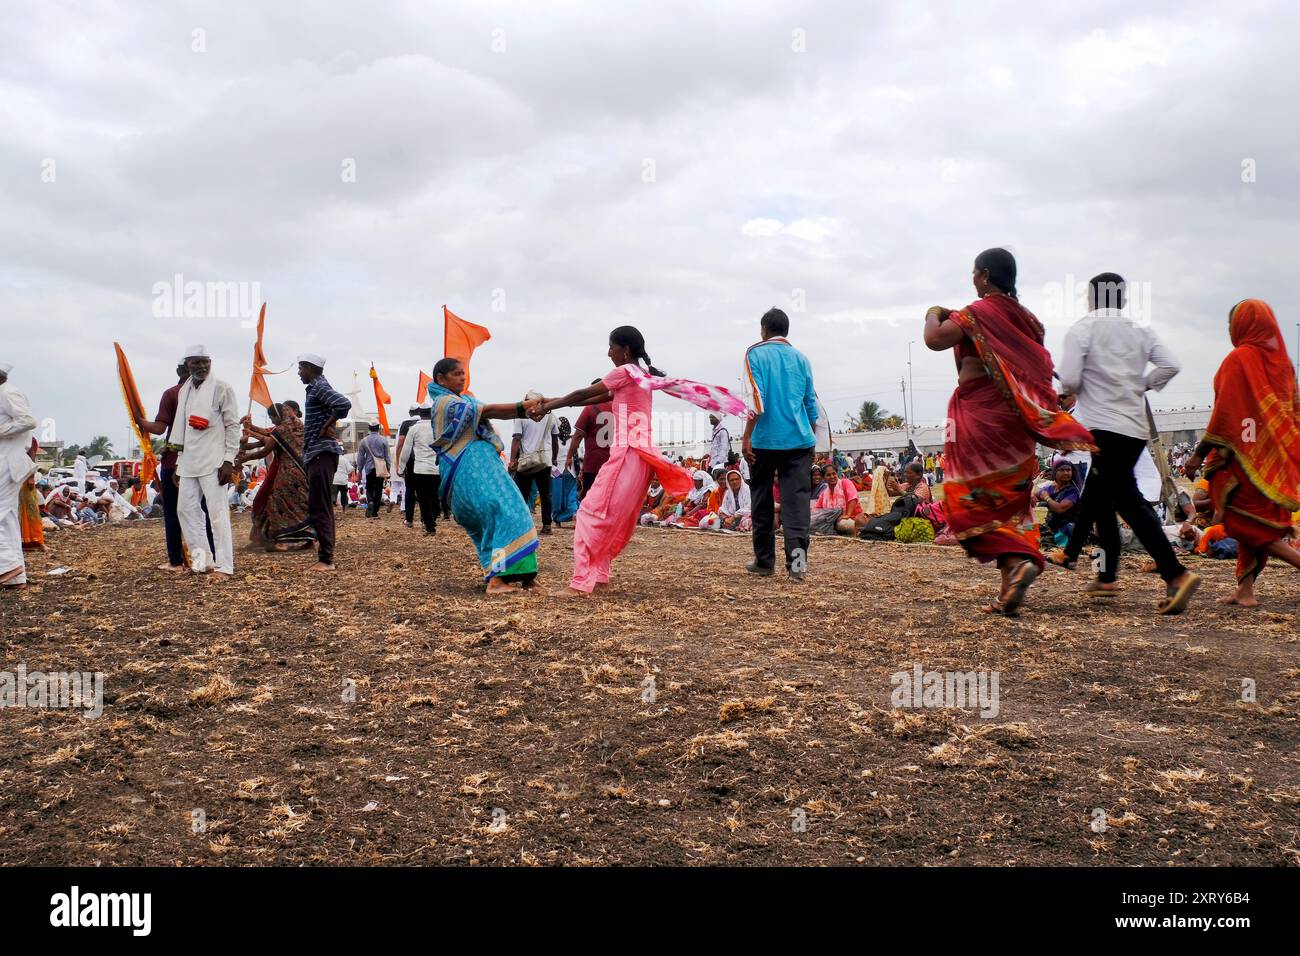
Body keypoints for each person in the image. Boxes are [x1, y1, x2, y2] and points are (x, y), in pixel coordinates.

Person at [923, 248, 1096, 615]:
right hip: (1017, 424)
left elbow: (935, 339)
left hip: (981, 417)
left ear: (985, 276)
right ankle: (1010, 585)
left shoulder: (978, 313)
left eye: (974, 274)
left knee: (969, 497)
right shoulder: (1027, 321)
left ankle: (1018, 564)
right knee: (1011, 503)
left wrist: (933, 312)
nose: (972, 280)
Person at [531, 325, 747, 596]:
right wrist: (549, 401)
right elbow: (592, 397)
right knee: (613, 518)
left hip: (627, 455)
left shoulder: (624, 372)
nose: (608, 352)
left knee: (588, 513)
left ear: (626, 350)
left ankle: (580, 583)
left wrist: (547, 407)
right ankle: (599, 575)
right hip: (641, 458)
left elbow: (583, 394)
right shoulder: (639, 375)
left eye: (611, 347)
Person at [1050, 272, 1201, 613]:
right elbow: (1170, 365)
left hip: (1102, 428)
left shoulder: (1082, 329)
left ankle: (1175, 574)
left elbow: (1070, 379)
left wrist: (1071, 389)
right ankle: (1104, 577)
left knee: (1127, 502)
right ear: (1122, 299)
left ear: (1091, 299)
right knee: (1102, 499)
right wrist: (1140, 385)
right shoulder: (1141, 330)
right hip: (1133, 429)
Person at [1182, 299, 1300, 607]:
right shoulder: (1284, 364)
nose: (1229, 329)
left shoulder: (1239, 359)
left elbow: (1224, 414)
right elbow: (1293, 414)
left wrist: (1198, 455)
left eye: (1231, 322)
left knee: (1249, 527)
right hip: (1275, 463)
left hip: (1245, 463)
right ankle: (1245, 591)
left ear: (1244, 325)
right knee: (1252, 529)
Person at [425, 357, 539, 594]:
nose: (463, 377)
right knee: (503, 512)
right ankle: (497, 581)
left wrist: (534, 407)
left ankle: (526, 577)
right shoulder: (444, 403)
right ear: (440, 379)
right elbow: (490, 410)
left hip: (483, 468)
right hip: (466, 472)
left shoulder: (465, 400)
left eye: (463, 373)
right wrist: (522, 407)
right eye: (456, 374)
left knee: (513, 511)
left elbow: (491, 412)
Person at [741, 308, 819, 581]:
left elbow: (756, 400)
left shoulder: (754, 353)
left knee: (762, 499)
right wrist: (812, 435)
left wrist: (747, 435)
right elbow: (811, 402)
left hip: (764, 440)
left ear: (763, 330)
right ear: (786, 331)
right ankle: (797, 566)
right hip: (799, 440)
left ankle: (764, 562)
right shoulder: (801, 358)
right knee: (796, 504)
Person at [134, 360, 214, 571]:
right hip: (203, 460)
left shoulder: (172, 393)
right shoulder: (209, 393)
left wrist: (139, 420)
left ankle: (176, 561)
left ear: (179, 371)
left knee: (175, 512)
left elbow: (159, 428)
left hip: (175, 462)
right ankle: (209, 557)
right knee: (202, 511)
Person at [169, 346, 240, 579]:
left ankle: (224, 566)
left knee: (217, 513)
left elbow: (232, 426)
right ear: (187, 366)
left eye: (204, 362)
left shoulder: (222, 388)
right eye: (195, 363)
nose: (201, 367)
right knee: (186, 510)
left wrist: (229, 460)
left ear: (210, 362)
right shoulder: (184, 391)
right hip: (189, 462)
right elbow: (183, 432)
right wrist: (179, 464)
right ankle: (202, 562)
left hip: (215, 462)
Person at [278, 354, 351, 571]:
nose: (299, 372)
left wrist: (326, 424)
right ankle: (325, 555)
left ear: (310, 368)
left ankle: (326, 559)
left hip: (321, 452)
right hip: (318, 453)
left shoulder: (319, 385)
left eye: (301, 368)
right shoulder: (316, 387)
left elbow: (343, 403)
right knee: (320, 505)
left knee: (320, 506)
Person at [236, 401, 313, 551]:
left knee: (277, 504)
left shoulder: (281, 430)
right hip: (302, 473)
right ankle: (308, 540)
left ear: (277, 416)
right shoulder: (297, 425)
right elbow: (267, 434)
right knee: (301, 504)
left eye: (272, 418)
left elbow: (265, 449)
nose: (272, 421)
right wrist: (250, 428)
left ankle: (282, 542)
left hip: (287, 473)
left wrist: (244, 459)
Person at [0, 365, 37, 589]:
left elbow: (27, 420)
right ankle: (15, 577)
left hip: (7, 463)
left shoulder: (7, 392)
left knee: (2, 513)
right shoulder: (6, 392)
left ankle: (7, 566)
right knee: (8, 516)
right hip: (8, 462)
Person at [510, 390, 559, 535]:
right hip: (545, 461)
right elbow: (555, 439)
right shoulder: (551, 417)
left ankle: (521, 525)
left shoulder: (521, 417)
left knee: (521, 494)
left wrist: (513, 459)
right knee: (546, 494)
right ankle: (547, 526)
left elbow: (517, 438)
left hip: (526, 461)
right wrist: (554, 458)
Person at [396, 403, 441, 534]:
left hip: (420, 468)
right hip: (436, 468)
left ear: (420, 414)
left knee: (423, 499)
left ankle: (429, 527)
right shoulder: (438, 428)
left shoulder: (414, 429)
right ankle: (433, 518)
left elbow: (405, 450)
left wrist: (401, 467)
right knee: (434, 496)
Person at [567, 381, 612, 498]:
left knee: (589, 497)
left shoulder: (590, 408)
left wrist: (569, 457)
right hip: (613, 463)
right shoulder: (618, 408)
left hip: (593, 463)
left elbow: (577, 436)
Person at [1035, 460, 1081, 541]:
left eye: (1068, 470)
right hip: (1052, 526)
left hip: (1066, 527)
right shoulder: (1051, 488)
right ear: (1055, 472)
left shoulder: (1072, 491)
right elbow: (1037, 493)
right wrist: (1033, 495)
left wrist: (1047, 498)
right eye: (1062, 470)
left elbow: (1060, 509)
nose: (1066, 473)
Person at [355, 422, 391, 520]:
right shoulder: (384, 440)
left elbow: (361, 457)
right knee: (379, 489)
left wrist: (359, 469)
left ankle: (370, 500)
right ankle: (375, 512)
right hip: (380, 468)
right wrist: (388, 468)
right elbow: (387, 456)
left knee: (369, 487)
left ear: (369, 428)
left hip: (369, 468)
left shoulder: (364, 441)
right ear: (378, 428)